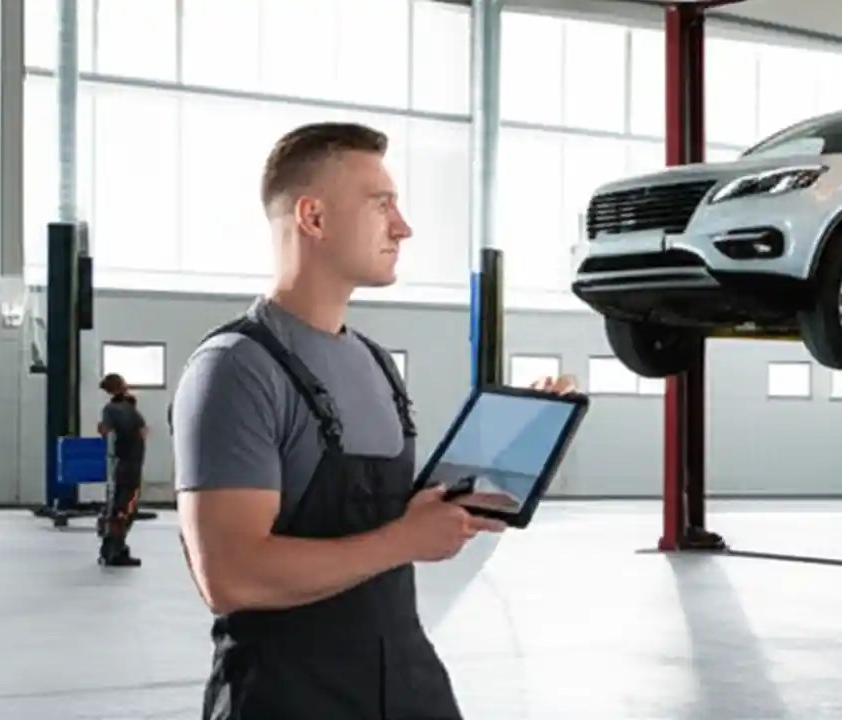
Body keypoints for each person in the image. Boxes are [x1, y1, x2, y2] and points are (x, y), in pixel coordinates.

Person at [171, 121, 576, 719]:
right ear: (313, 218)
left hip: (407, 683)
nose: (403, 226)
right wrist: (403, 540)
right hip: (287, 698)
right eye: (381, 203)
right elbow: (231, 577)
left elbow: (398, 520)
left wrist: (511, 438)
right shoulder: (234, 370)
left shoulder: (376, 363)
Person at [96, 372, 147, 567]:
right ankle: (115, 549)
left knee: (119, 506)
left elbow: (105, 431)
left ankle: (111, 548)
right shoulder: (130, 409)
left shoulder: (111, 409)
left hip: (122, 463)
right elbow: (143, 432)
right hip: (132, 463)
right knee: (124, 508)